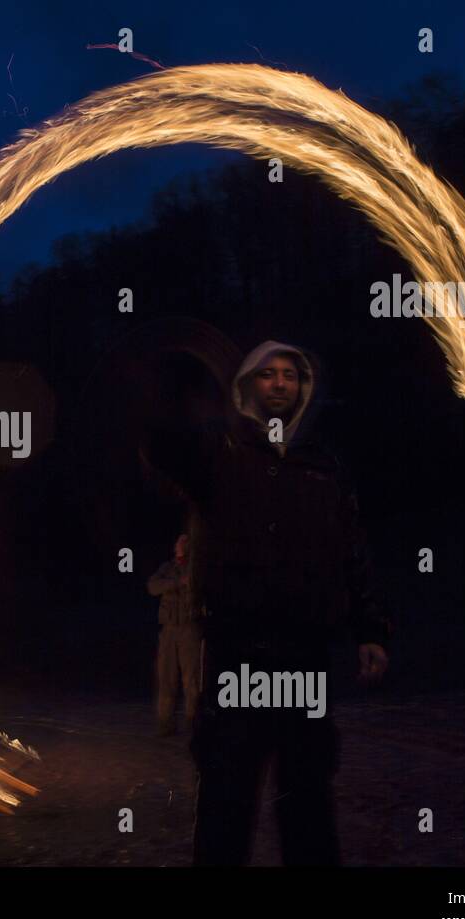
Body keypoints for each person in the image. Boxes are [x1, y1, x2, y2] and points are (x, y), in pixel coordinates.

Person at [152, 340, 390, 866]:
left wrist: (370, 629)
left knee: (307, 794)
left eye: (290, 375)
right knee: (226, 795)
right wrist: (174, 377)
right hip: (238, 652)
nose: (280, 383)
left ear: (303, 388)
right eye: (267, 374)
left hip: (305, 655)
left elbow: (351, 550)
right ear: (246, 386)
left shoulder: (322, 467)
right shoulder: (216, 455)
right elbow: (161, 444)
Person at [147, 532, 203, 735]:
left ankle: (192, 723)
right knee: (166, 677)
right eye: (180, 540)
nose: (182, 543)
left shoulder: (197, 567)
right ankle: (165, 723)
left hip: (189, 628)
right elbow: (152, 586)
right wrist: (178, 582)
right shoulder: (168, 567)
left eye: (186, 541)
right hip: (169, 629)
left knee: (191, 679)